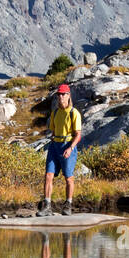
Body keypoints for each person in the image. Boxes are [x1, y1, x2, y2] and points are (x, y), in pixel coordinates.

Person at [39, 84, 81, 217]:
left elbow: (78, 134)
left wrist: (70, 148)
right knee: (48, 175)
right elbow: (52, 130)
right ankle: (47, 205)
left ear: (69, 95)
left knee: (68, 177)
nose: (60, 97)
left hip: (67, 145)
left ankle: (68, 204)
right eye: (59, 94)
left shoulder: (74, 113)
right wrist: (52, 143)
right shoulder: (55, 112)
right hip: (54, 146)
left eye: (63, 94)